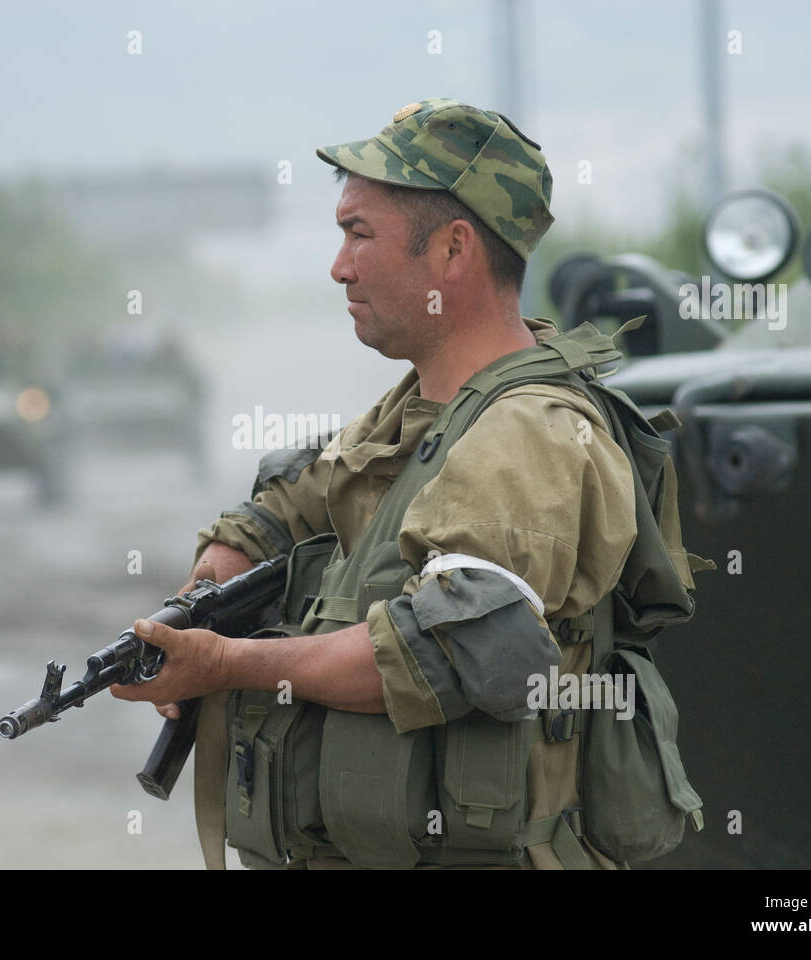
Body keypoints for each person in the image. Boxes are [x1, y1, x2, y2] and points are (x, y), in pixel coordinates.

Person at [111, 99, 639, 869]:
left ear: (453, 251)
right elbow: (290, 505)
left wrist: (226, 664)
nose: (340, 266)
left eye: (359, 234)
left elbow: (448, 650)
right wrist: (201, 599)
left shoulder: (529, 435)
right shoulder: (421, 408)